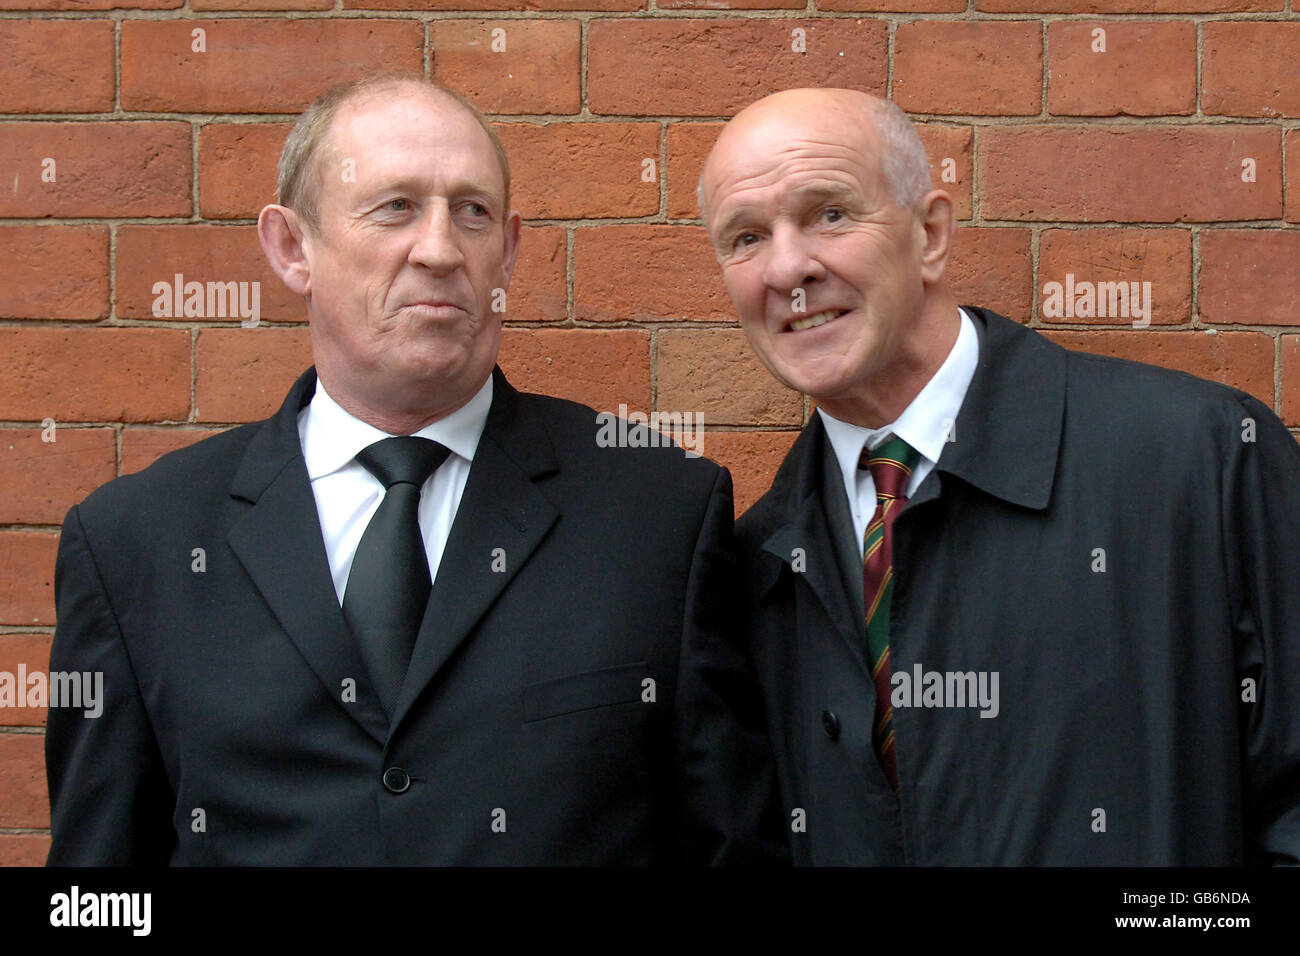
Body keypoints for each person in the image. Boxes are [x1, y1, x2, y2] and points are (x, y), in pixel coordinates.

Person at [45, 74, 786, 866]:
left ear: (508, 251)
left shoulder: (659, 513)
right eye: (394, 207)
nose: (439, 249)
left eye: (473, 212)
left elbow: (730, 846)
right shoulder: (137, 542)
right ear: (292, 247)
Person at [698, 87, 1300, 865]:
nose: (788, 268)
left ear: (931, 235)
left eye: (831, 214)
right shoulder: (758, 564)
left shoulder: (1202, 459)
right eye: (746, 238)